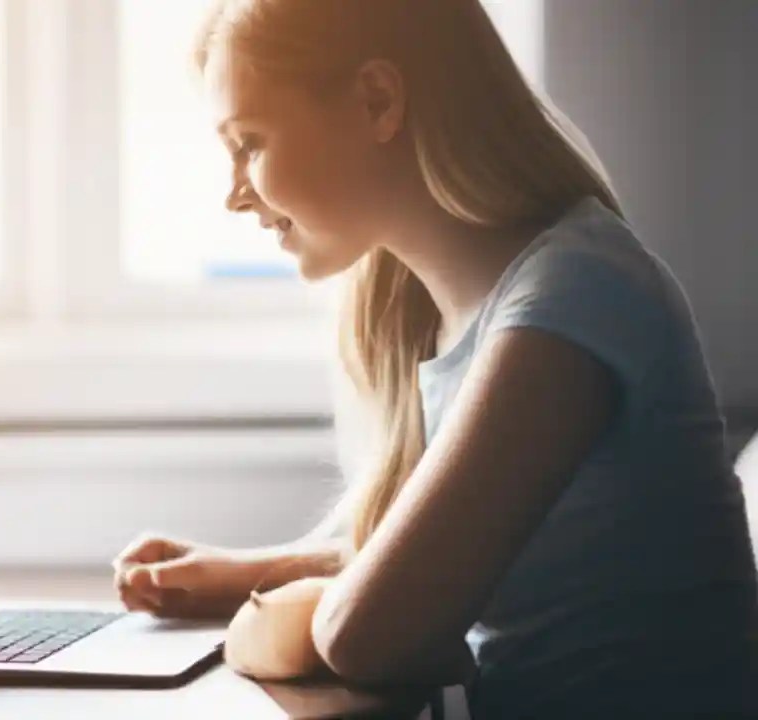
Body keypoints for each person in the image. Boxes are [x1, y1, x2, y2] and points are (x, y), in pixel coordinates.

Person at [111, 0, 758, 715]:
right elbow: (410, 553)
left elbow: (368, 636)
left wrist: (268, 624)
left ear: (377, 101)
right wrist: (234, 575)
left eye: (250, 143)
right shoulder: (440, 307)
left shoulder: (574, 294)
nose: (235, 195)